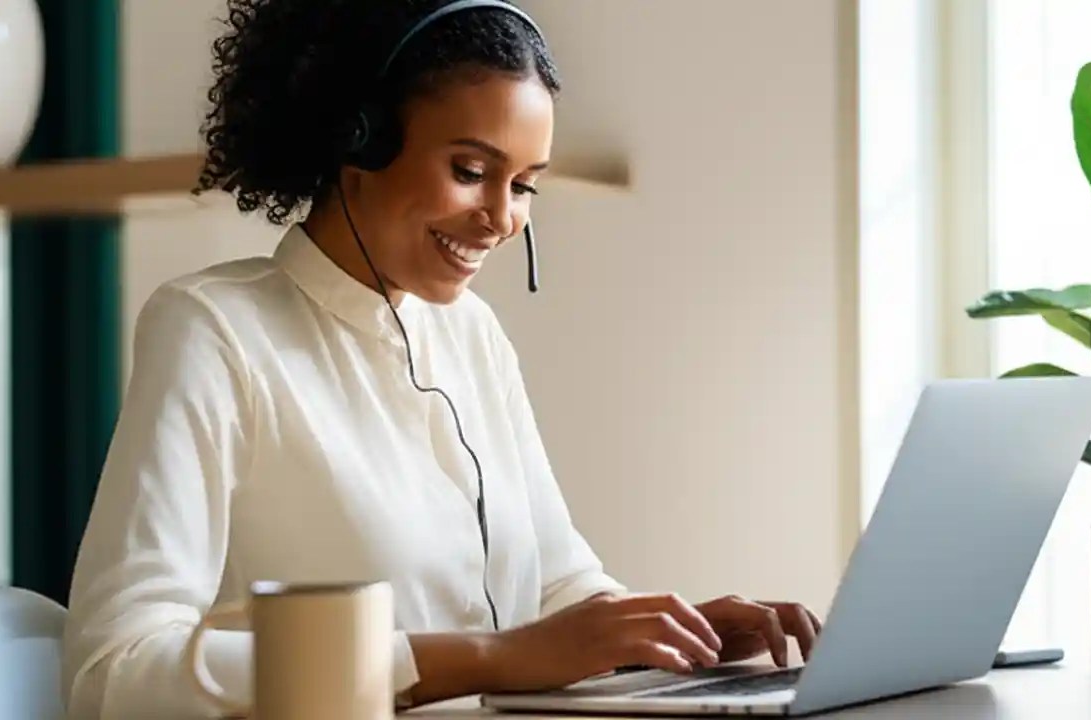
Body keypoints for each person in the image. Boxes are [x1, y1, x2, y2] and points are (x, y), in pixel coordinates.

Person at [60, 0, 821, 717]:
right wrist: (487, 657)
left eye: (523, 184)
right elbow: (116, 671)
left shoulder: (473, 335)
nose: (501, 218)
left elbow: (556, 585)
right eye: (470, 170)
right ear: (359, 139)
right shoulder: (215, 330)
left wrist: (675, 637)